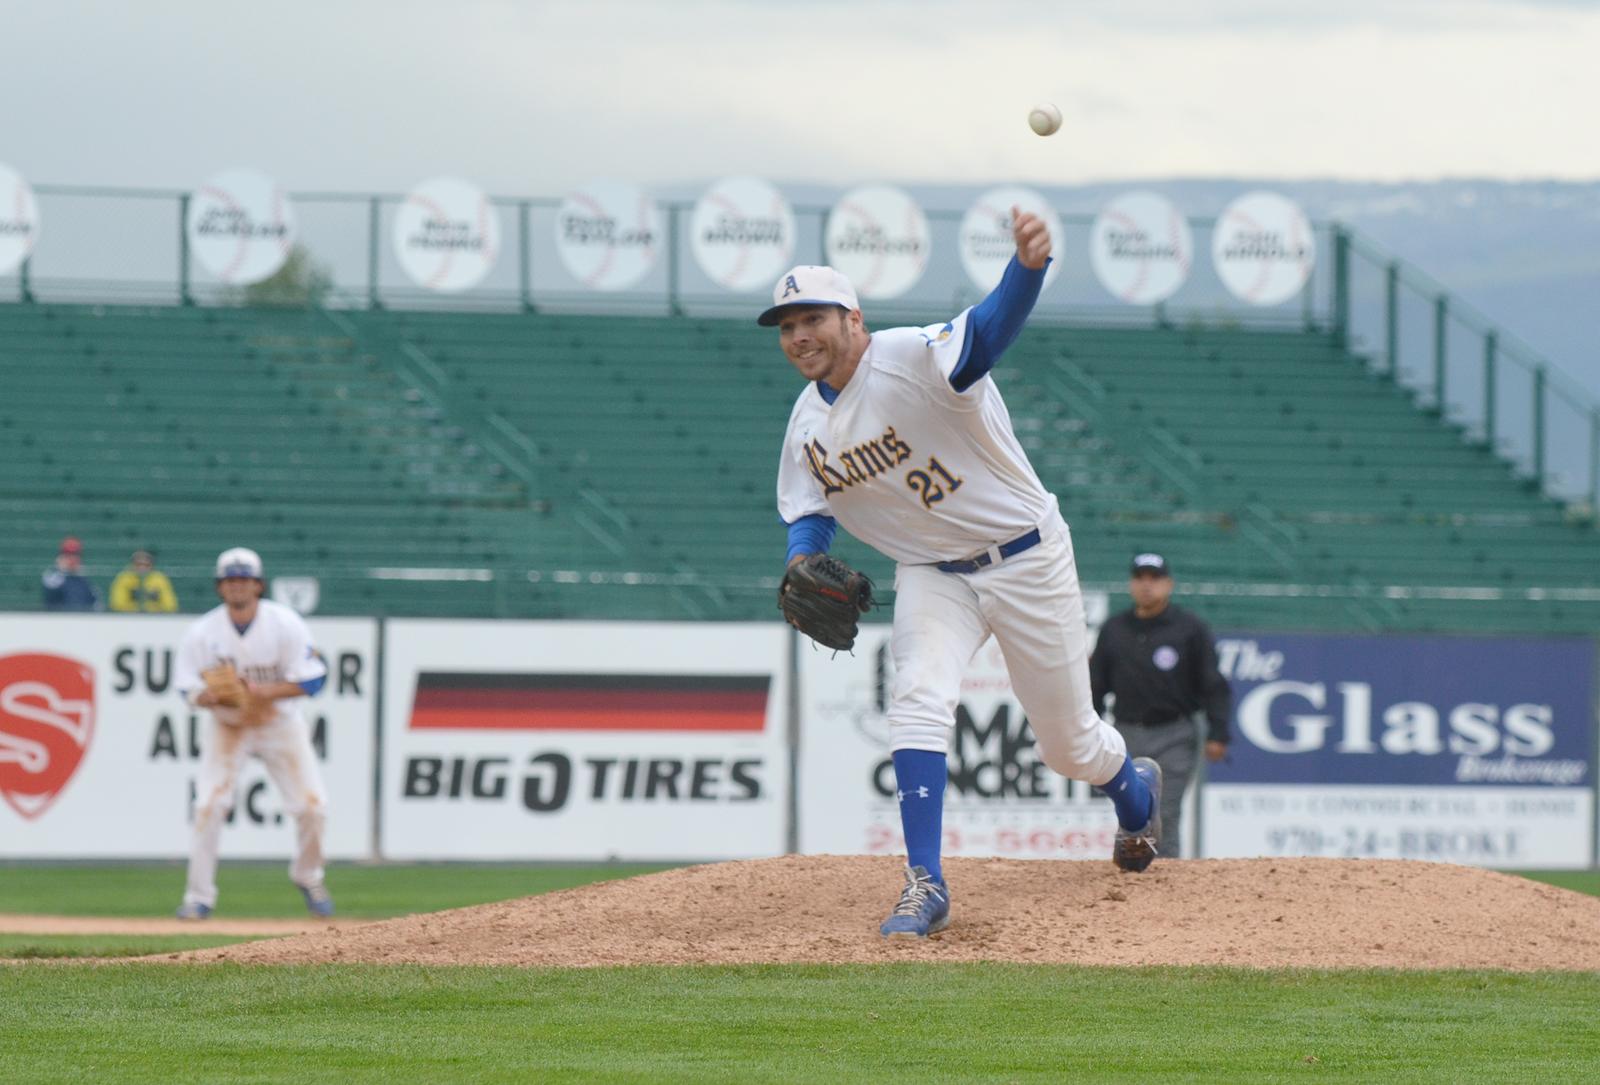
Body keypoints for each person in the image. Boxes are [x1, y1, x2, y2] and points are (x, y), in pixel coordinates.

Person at [768, 209, 1162, 940]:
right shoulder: (804, 425)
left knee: (1067, 744)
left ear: (853, 318)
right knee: (917, 696)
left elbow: (988, 330)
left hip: (1024, 553)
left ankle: (1134, 792)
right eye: (786, 327)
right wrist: (800, 559)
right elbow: (809, 509)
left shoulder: (913, 355)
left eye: (812, 318)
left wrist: (1028, 267)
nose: (798, 337)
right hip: (931, 569)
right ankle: (926, 882)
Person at [172, 547, 333, 920]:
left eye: (244, 579)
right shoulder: (202, 632)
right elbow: (185, 687)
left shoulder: (285, 624)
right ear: (220, 587)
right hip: (228, 725)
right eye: (230, 580)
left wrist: (265, 692)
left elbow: (314, 678)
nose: (237, 586)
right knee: (208, 806)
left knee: (313, 806)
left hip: (278, 721)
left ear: (258, 585)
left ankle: (309, 876)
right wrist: (204, 696)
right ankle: (198, 898)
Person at [1089, 553, 1232, 859]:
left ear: (1168, 584)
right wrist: (1087, 730)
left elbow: (1212, 683)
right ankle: (1132, 867)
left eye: (1154, 578)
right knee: (1130, 804)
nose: (1147, 585)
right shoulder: (1114, 630)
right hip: (1126, 732)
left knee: (1165, 808)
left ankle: (1164, 878)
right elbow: (1096, 686)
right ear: (1131, 584)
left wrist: (1218, 732)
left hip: (1175, 733)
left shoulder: (1190, 629)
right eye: (1140, 578)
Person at [41, 536, 101, 611]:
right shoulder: (52, 576)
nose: (72, 559)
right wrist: (61, 571)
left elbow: (95, 604)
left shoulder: (85, 582)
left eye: (75, 555)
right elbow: (50, 596)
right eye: (68, 555)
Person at [109, 549, 179, 612]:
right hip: (129, 617)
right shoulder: (124, 578)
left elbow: (170, 605)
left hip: (155, 618)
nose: (142, 568)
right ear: (132, 565)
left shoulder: (159, 579)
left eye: (146, 565)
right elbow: (117, 604)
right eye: (138, 564)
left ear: (151, 566)